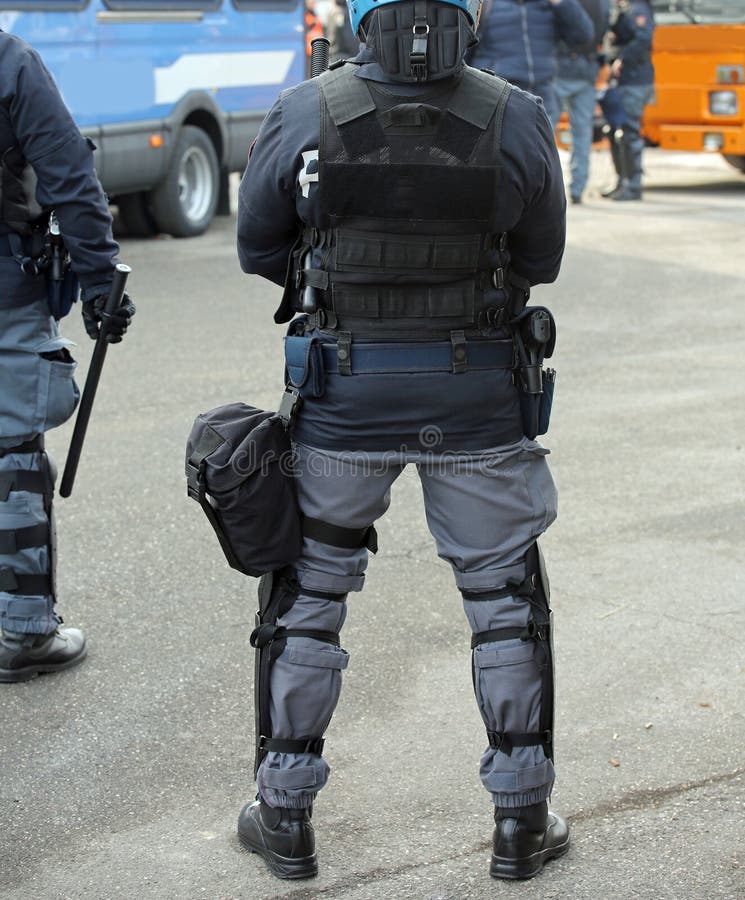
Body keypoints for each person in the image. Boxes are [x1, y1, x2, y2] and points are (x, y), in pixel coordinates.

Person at [236, 0, 568, 882]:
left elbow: (258, 248)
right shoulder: (517, 113)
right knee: (504, 602)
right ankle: (519, 824)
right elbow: (540, 258)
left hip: (343, 396)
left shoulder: (304, 109)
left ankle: (285, 816)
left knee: (307, 596)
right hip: (476, 398)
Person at [0, 30, 135, 682]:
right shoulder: (10, 62)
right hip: (5, 292)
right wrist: (100, 282)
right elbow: (68, 177)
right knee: (12, 456)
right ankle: (25, 631)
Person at [469, 0, 595, 127]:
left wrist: (561, 3)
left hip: (541, 100)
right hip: (497, 100)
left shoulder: (549, 5)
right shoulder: (487, 4)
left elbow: (584, 35)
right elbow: (467, 47)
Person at [554, 0, 610, 204]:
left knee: (544, 129)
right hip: (587, 69)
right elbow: (602, 30)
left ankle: (546, 186)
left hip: (560, 68)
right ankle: (578, 187)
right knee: (582, 132)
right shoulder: (603, 4)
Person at [600, 0, 655, 201]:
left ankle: (632, 185)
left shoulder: (638, 8)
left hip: (635, 80)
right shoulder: (624, 8)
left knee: (629, 132)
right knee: (614, 130)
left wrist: (622, 58)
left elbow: (644, 37)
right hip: (623, 80)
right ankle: (622, 181)